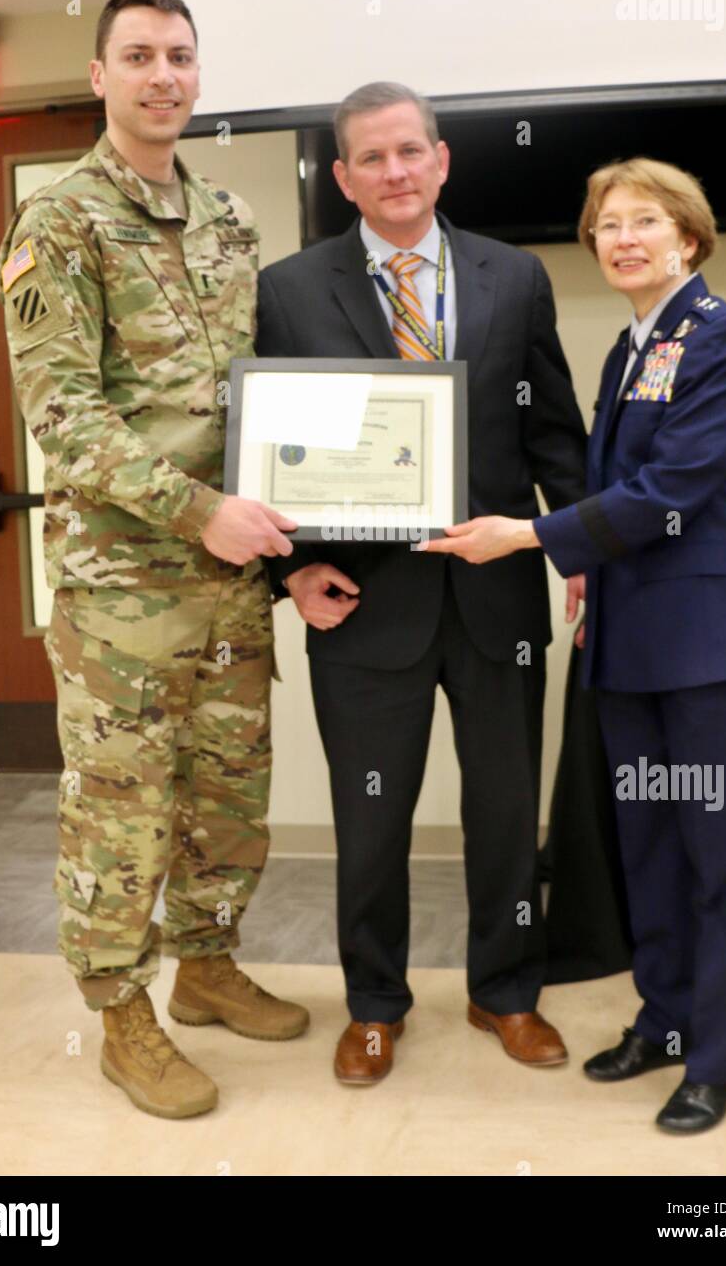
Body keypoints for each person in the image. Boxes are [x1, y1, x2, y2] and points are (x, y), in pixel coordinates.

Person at [423, 157, 726, 1132]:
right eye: (606, 224)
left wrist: (531, 536)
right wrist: (580, 563)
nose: (622, 238)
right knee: (652, 851)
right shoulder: (631, 348)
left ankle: (715, 1059)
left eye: (645, 221)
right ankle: (665, 1023)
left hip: (714, 647)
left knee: (722, 856)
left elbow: (671, 488)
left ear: (688, 236)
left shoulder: (723, 339)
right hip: (630, 646)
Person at [0, 0, 307, 1120]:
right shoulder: (59, 221)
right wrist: (196, 512)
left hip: (229, 580)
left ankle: (208, 965)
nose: (162, 75)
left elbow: (255, 407)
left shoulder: (228, 219)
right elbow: (63, 414)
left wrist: (283, 535)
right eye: (138, 56)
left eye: (179, 55)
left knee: (227, 790)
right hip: (125, 590)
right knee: (122, 806)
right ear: (98, 75)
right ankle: (123, 1014)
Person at [257, 82, 588, 1084]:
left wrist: (576, 551)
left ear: (440, 161)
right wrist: (291, 569)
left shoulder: (514, 275)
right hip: (358, 605)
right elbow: (268, 450)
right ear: (344, 177)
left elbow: (551, 431)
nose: (394, 171)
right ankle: (373, 1004)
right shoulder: (288, 288)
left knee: (503, 808)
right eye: (372, 157)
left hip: (496, 601)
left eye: (411, 151)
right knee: (370, 818)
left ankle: (507, 991)